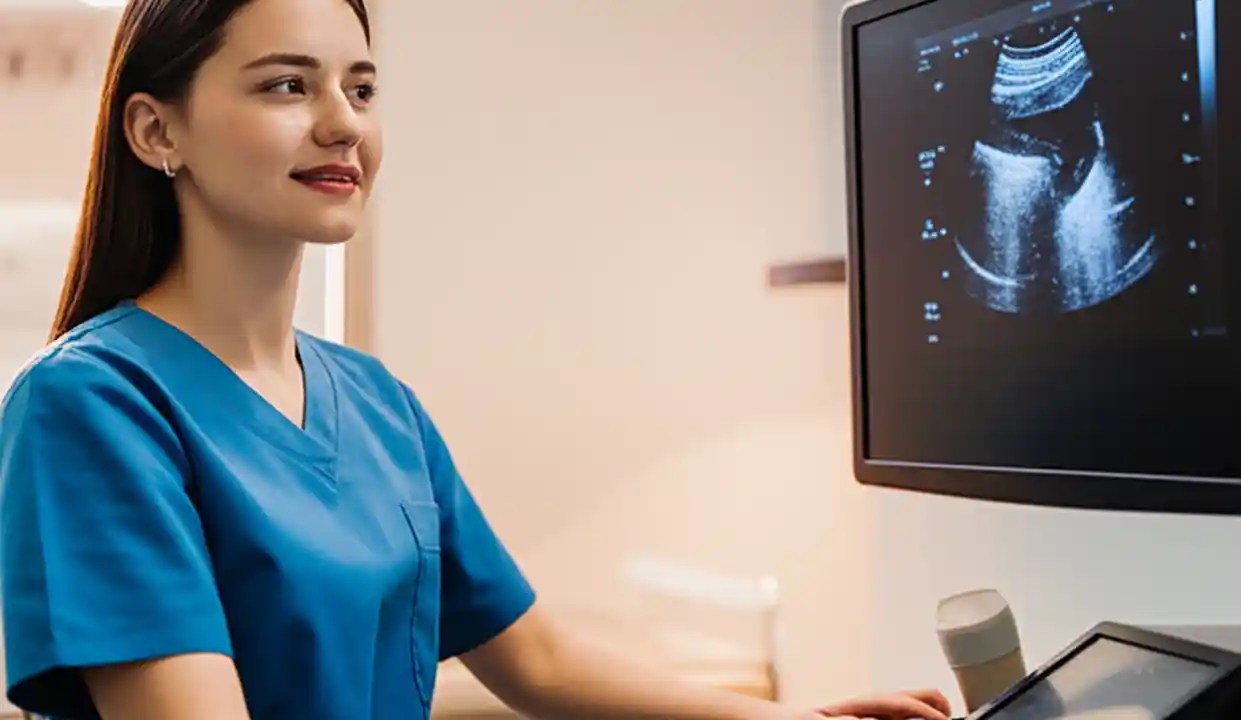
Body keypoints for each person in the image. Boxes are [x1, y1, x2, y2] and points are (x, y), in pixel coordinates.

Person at [0, 1, 953, 719]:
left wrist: (787, 719)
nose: (344, 124)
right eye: (288, 84)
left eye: (361, 89)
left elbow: (535, 658)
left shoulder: (377, 404)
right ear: (156, 131)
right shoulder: (92, 405)